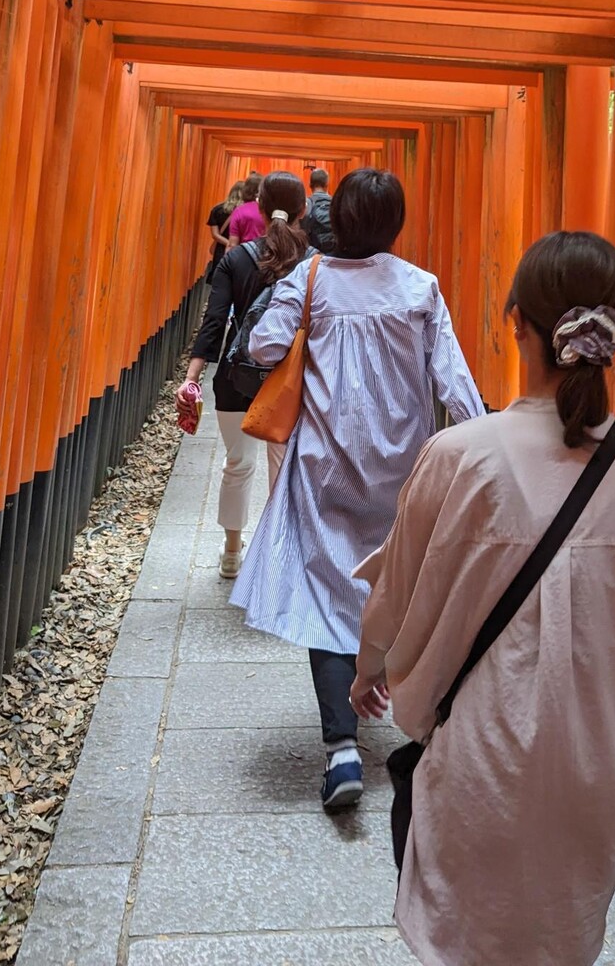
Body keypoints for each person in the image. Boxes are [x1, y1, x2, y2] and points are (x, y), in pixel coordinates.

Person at [349, 231, 615, 966]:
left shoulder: (460, 456)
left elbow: (393, 599)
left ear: (516, 322)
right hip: (603, 779)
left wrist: (370, 669)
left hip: (481, 766)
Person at [229, 168, 483, 811]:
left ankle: (342, 749)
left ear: (335, 220)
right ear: (396, 224)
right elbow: (453, 381)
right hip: (403, 466)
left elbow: (262, 347)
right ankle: (423, 722)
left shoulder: (310, 280)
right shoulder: (421, 288)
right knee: (406, 582)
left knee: (328, 589)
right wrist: (484, 452)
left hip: (325, 464)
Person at [177, 172, 312, 578]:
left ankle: (232, 553)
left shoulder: (235, 259)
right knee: (283, 469)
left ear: (260, 207)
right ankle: (277, 555)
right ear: (303, 211)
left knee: (237, 465)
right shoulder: (314, 263)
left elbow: (215, 322)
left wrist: (193, 375)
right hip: (290, 382)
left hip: (237, 379)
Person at [205, 180, 243, 283]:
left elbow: (215, 234)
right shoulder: (244, 212)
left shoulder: (217, 210)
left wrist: (228, 243)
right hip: (241, 249)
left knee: (219, 278)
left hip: (221, 249)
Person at [227, 171, 264, 247]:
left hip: (243, 254)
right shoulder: (268, 210)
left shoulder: (239, 211)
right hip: (265, 255)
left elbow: (232, 244)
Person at [303, 167, 335, 254]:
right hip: (334, 254)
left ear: (310, 185)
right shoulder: (337, 204)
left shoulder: (305, 205)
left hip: (312, 255)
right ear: (327, 184)